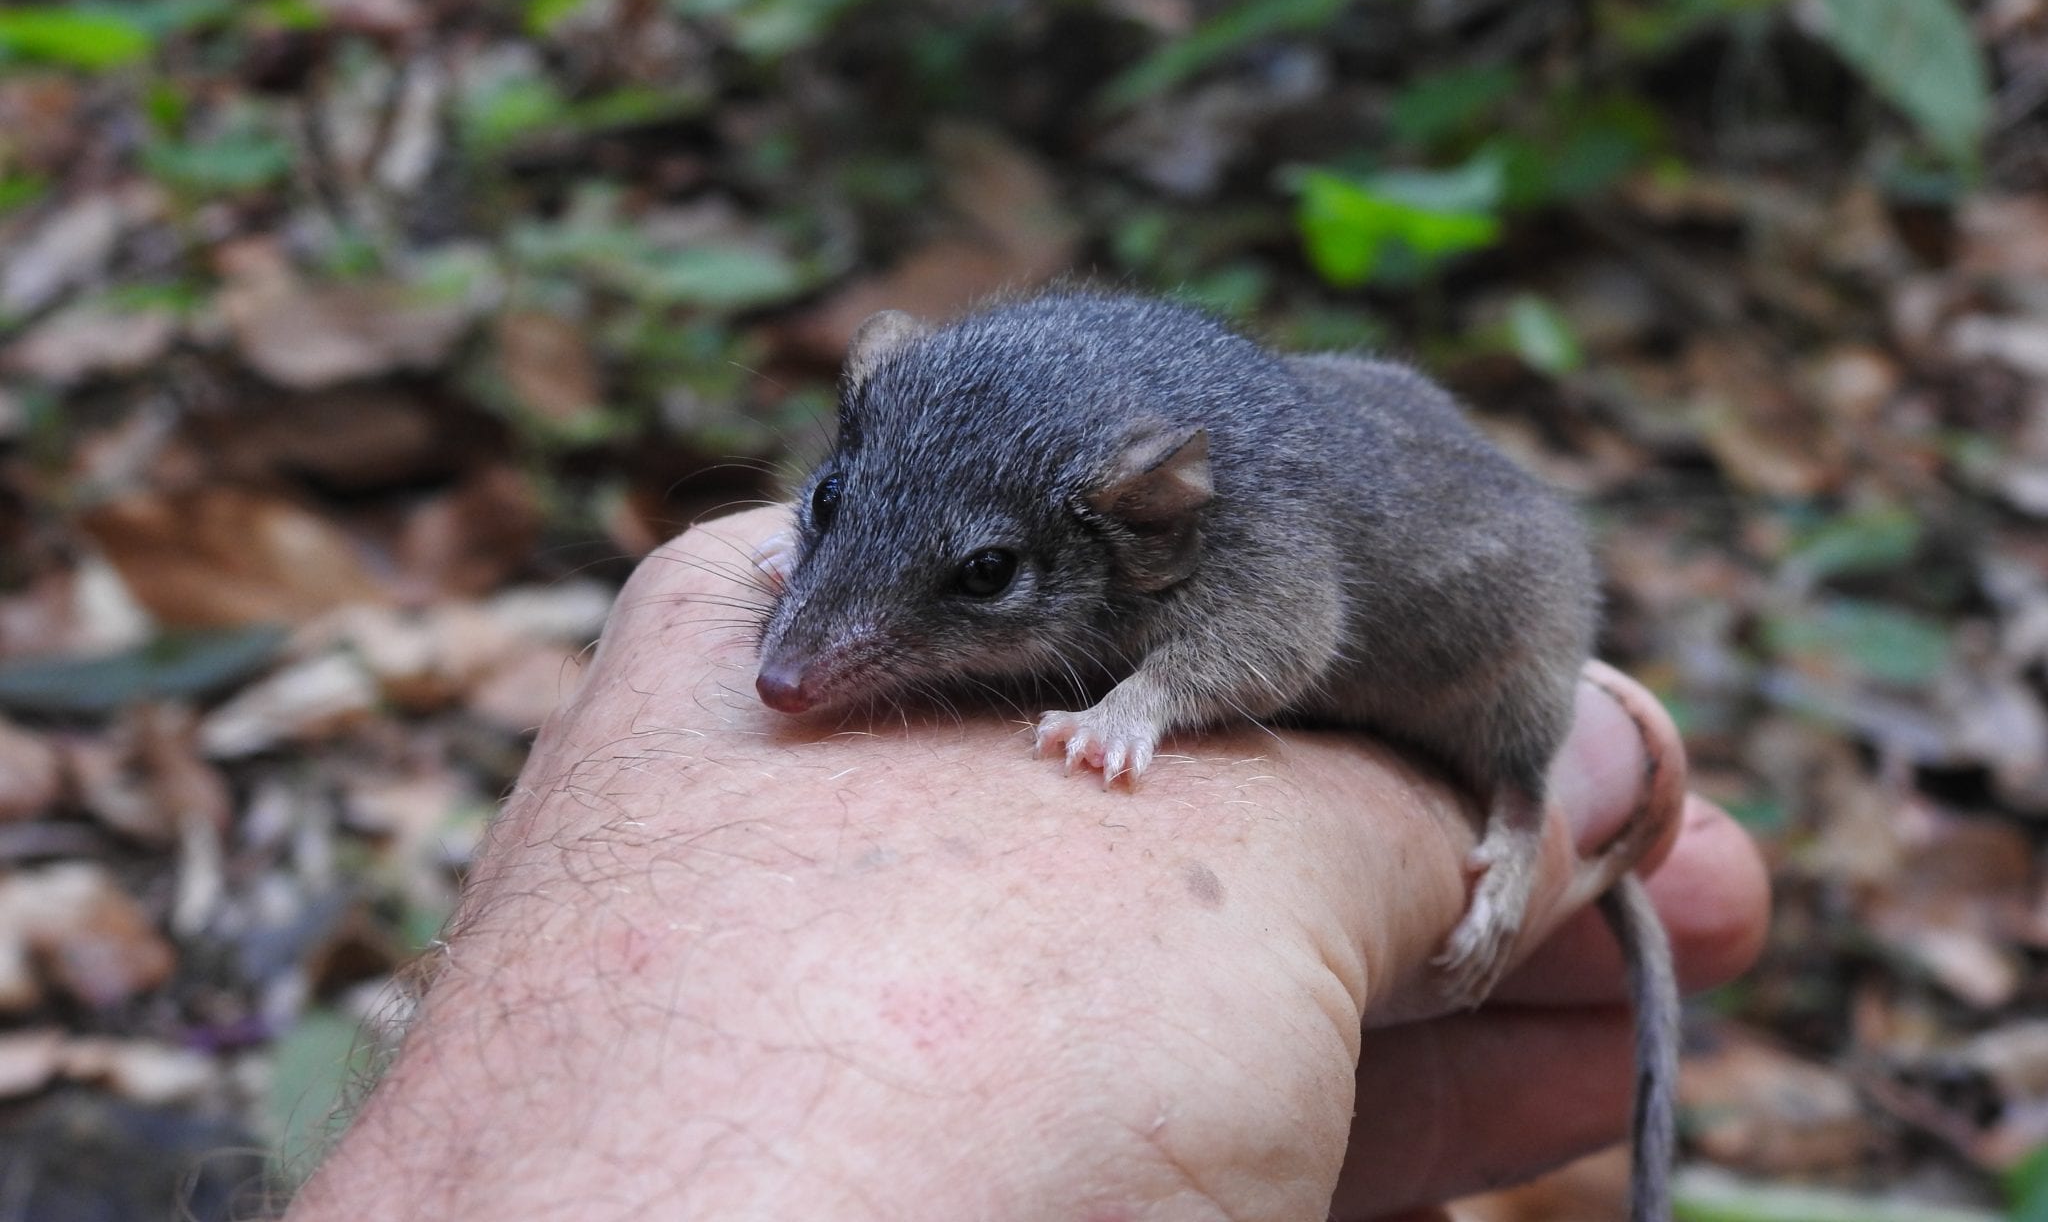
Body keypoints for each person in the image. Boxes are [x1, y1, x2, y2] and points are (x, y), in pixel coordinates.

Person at [285, 507, 1769, 1220]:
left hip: (1473, 668)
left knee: (1538, 734)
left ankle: (1521, 811)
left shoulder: (1227, 552)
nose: (790, 676)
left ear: (1151, 527)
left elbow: (1285, 633)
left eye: (984, 576)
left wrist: (1149, 701)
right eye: (820, 528)